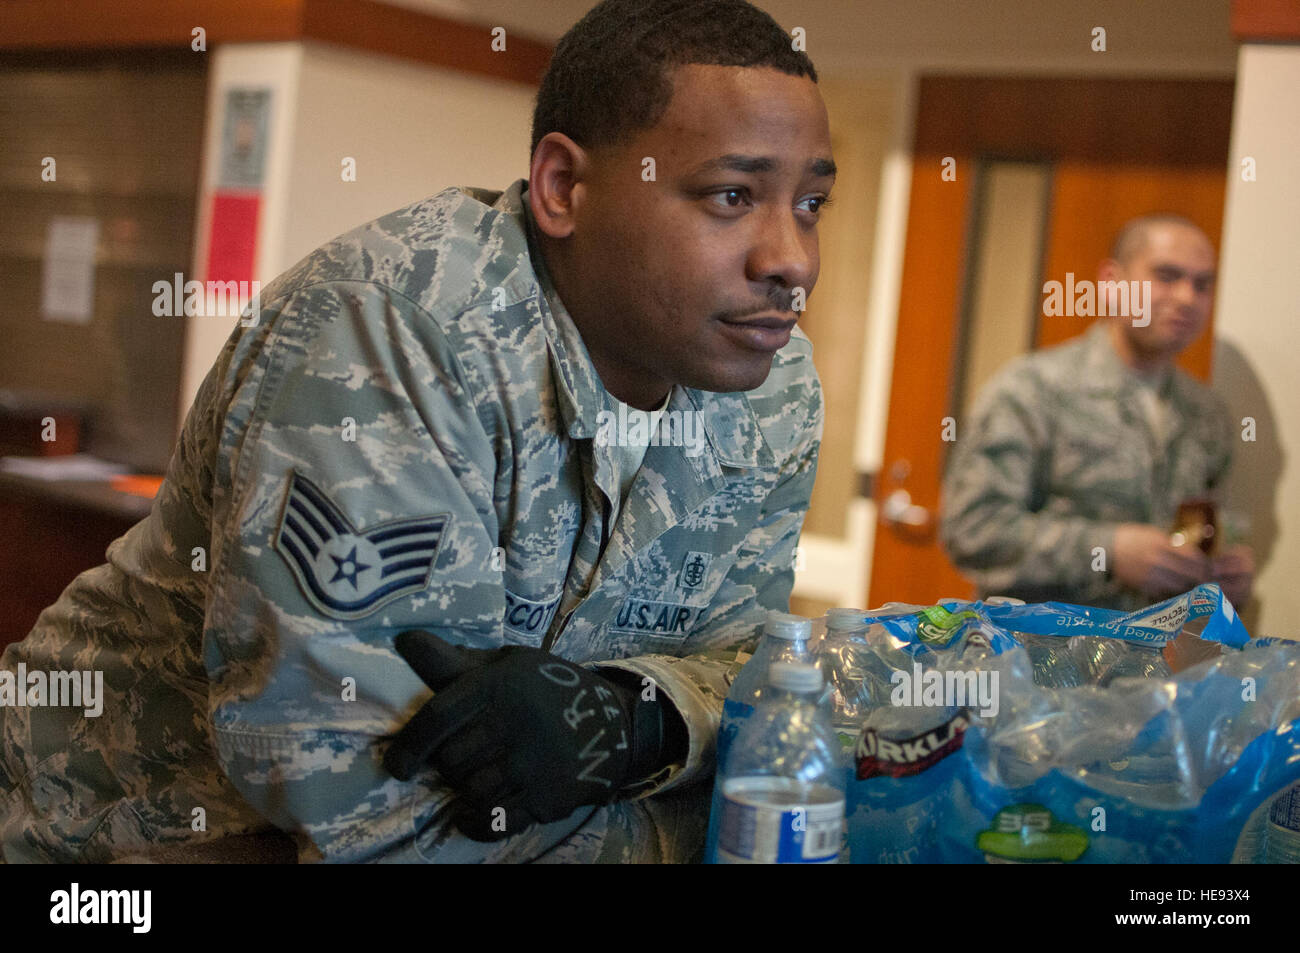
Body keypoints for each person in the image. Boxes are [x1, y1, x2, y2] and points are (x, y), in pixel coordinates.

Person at [0, 0, 834, 863]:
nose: (793, 259)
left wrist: (638, 720)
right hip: (103, 856)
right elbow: (379, 818)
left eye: (811, 203)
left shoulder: (775, 388)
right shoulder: (390, 334)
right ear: (562, 189)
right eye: (731, 195)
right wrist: (703, 824)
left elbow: (759, 683)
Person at [940, 214, 1254, 612]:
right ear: (1111, 282)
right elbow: (972, 532)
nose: (1187, 298)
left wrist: (1221, 572)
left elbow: (1202, 528)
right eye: (1167, 276)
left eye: (1202, 284)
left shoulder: (1206, 414)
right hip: (1037, 661)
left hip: (1152, 666)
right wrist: (1108, 550)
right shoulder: (1034, 390)